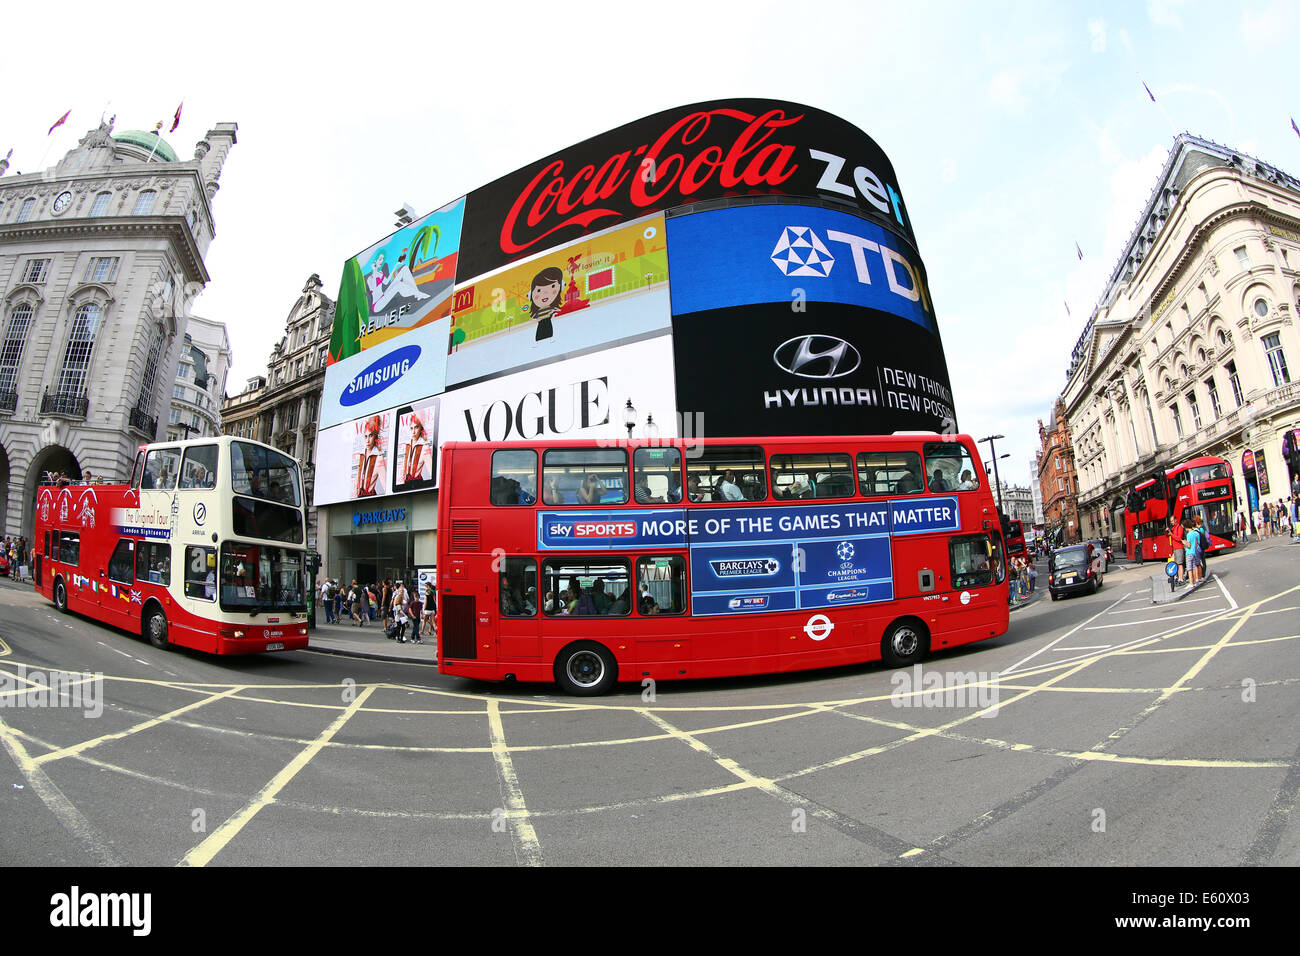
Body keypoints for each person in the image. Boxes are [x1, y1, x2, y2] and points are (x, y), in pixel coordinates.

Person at [528, 266, 565, 343]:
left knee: (549, 332)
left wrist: (554, 312)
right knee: (540, 335)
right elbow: (535, 317)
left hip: (548, 322)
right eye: (538, 290)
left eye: (553, 286)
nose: (545, 293)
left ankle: (550, 340)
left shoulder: (552, 308)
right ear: (531, 295)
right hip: (541, 324)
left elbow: (558, 311)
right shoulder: (538, 311)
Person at [1170, 517, 1187, 586]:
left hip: (1179, 548)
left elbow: (1179, 538)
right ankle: (1178, 577)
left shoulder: (1179, 528)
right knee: (1176, 564)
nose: (1171, 522)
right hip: (1174, 548)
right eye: (1171, 521)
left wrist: (1171, 534)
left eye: (1172, 521)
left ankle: (1181, 578)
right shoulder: (1173, 528)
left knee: (1180, 564)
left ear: (1175, 520)